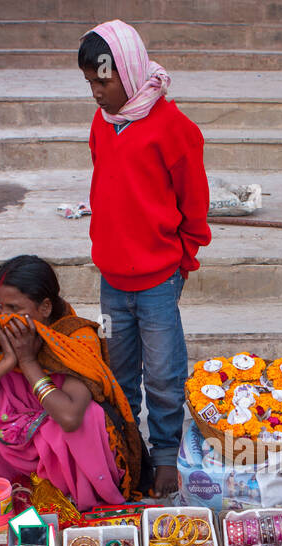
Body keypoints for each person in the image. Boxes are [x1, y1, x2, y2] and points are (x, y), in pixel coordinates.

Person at [78, 20, 211, 497]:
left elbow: (193, 203)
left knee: (163, 374)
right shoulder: (102, 124)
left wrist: (185, 259)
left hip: (157, 280)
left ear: (130, 71)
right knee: (119, 375)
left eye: (103, 80)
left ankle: (166, 458)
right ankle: (128, 451)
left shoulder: (174, 129)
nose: (96, 93)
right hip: (113, 279)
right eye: (90, 83)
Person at [0, 255, 145, 509]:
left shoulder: (76, 337)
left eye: (14, 308)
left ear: (45, 308)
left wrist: (29, 362)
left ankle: (68, 495)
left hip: (54, 429)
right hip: (6, 435)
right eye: (0, 307)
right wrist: (7, 363)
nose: (4, 317)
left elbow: (69, 417)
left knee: (89, 416)